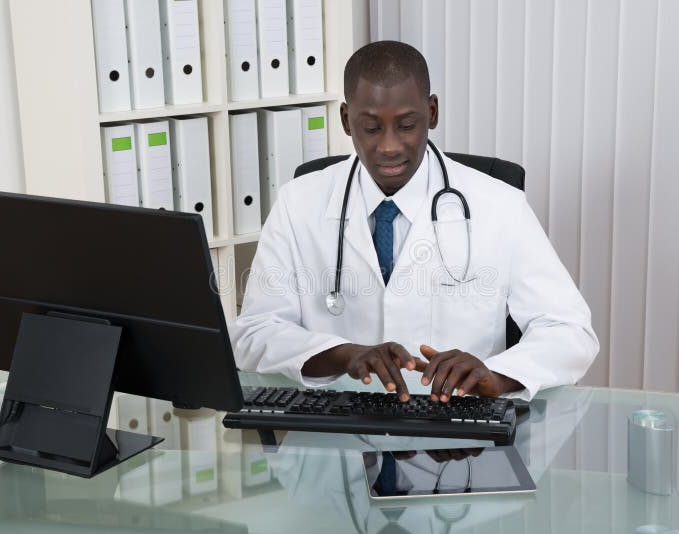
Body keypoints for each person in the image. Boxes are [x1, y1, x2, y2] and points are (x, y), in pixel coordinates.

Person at [230, 41, 598, 402]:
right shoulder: (299, 202)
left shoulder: (500, 205)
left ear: (432, 112)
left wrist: (496, 375)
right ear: (346, 119)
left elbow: (569, 331)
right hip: (338, 436)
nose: (389, 146)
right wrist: (345, 354)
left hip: (458, 436)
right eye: (371, 128)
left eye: (406, 125)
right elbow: (254, 334)